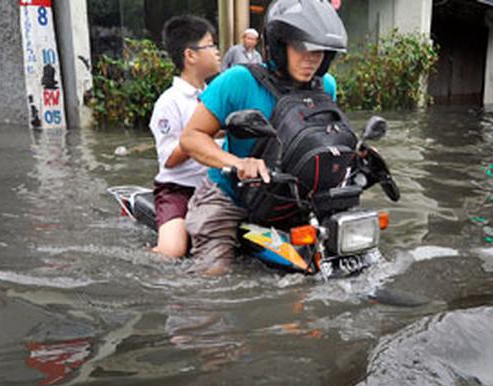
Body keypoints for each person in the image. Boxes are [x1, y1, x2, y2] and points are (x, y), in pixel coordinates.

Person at [178, 0, 346, 273]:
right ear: (280, 44)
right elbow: (191, 138)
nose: (312, 58)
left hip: (293, 198)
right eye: (302, 47)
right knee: (213, 278)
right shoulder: (239, 80)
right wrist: (237, 163)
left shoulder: (326, 86)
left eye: (321, 50)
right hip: (230, 197)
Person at [148, 16, 222, 258]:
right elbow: (169, 159)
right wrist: (200, 137)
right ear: (190, 55)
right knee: (173, 250)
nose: (218, 51)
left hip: (215, 186)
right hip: (179, 189)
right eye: (211, 45)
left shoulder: (215, 95)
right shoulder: (169, 102)